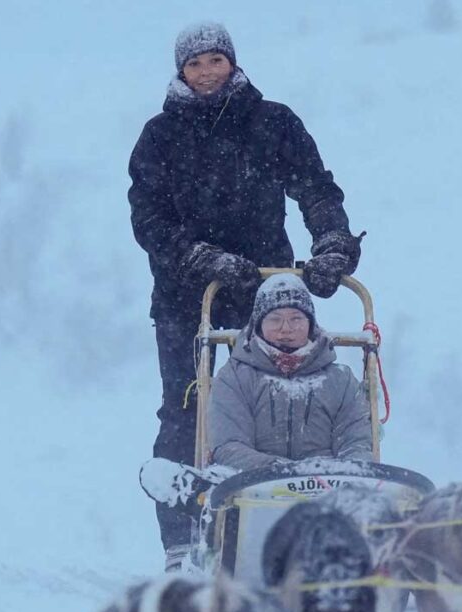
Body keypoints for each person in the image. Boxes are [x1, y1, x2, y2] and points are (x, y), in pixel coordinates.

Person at [128, 22, 363, 568]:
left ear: (233, 63)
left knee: (288, 394)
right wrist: (199, 258)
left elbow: (315, 187)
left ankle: (297, 514)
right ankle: (183, 541)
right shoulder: (159, 136)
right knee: (191, 405)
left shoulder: (272, 121)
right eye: (195, 64)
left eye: (216, 61)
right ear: (180, 72)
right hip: (190, 296)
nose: (207, 72)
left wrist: (331, 245)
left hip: (267, 288)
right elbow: (149, 219)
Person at [209, 273, 374, 469]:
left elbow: (356, 444)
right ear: (259, 325)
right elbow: (228, 446)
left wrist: (338, 474)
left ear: (310, 325)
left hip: (329, 489)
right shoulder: (234, 377)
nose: (286, 329)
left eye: (296, 319)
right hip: (252, 487)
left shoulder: (341, 380)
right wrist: (285, 472)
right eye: (274, 319)